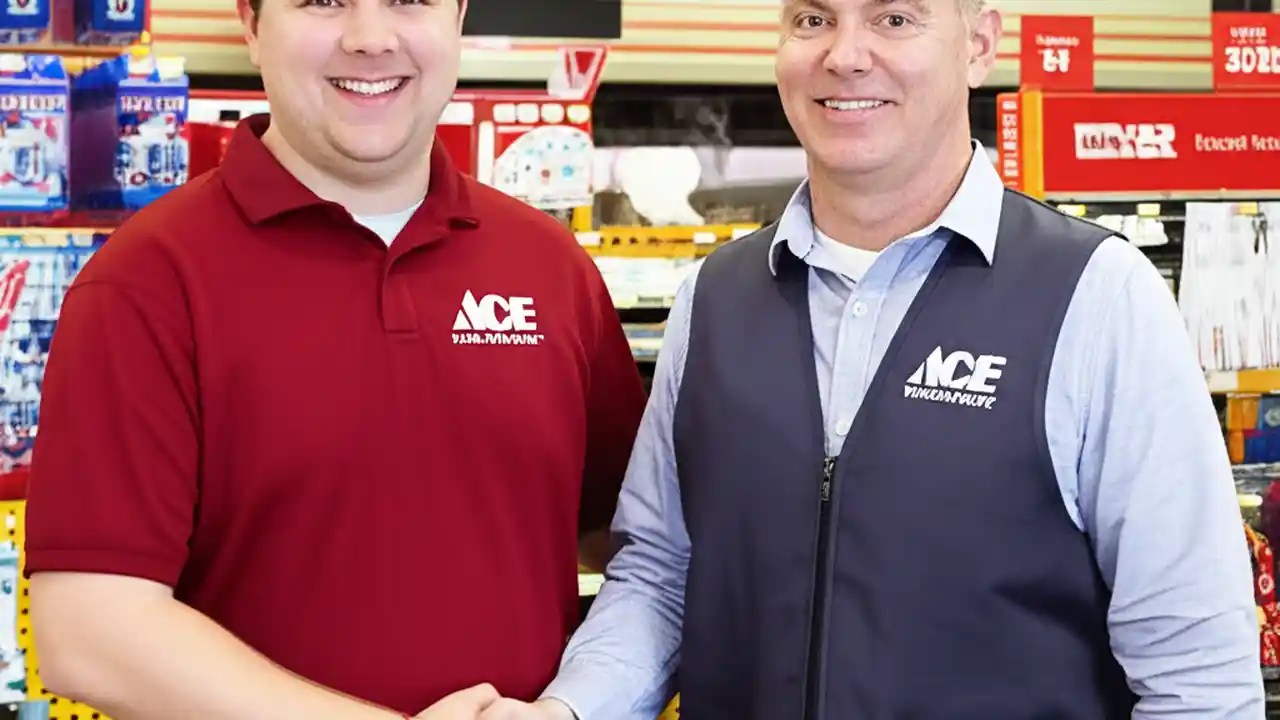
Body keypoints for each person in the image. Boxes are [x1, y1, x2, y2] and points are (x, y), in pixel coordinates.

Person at [478, 0, 1268, 719]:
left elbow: (1196, 673)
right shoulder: (714, 301)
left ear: (979, 44)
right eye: (813, 19)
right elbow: (660, 577)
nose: (846, 55)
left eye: (894, 19)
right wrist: (565, 712)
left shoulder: (1097, 297)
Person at [21, 0, 646, 717]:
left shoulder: (549, 267)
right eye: (323, 0)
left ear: (458, 16)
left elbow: (637, 549)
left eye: (409, 0)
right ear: (251, 25)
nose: (371, 38)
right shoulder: (147, 282)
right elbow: (90, 631)